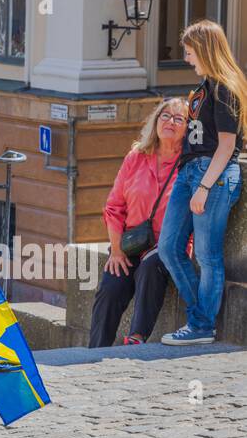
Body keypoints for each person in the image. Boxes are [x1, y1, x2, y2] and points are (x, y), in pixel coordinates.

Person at [158, 20, 246, 346]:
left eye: (189, 51)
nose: (186, 57)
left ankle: (201, 326)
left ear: (205, 49)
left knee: (208, 256)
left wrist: (205, 186)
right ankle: (199, 316)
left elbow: (226, 145)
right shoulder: (201, 89)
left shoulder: (225, 87)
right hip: (189, 172)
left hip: (214, 176)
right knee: (168, 247)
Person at [89, 98, 186, 348]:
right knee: (111, 285)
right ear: (155, 121)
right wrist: (117, 248)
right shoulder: (136, 157)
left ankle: (136, 338)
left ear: (188, 128)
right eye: (165, 116)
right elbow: (114, 207)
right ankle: (95, 350)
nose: (170, 122)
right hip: (132, 241)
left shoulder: (190, 164)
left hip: (167, 244)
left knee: (150, 266)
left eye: (179, 118)